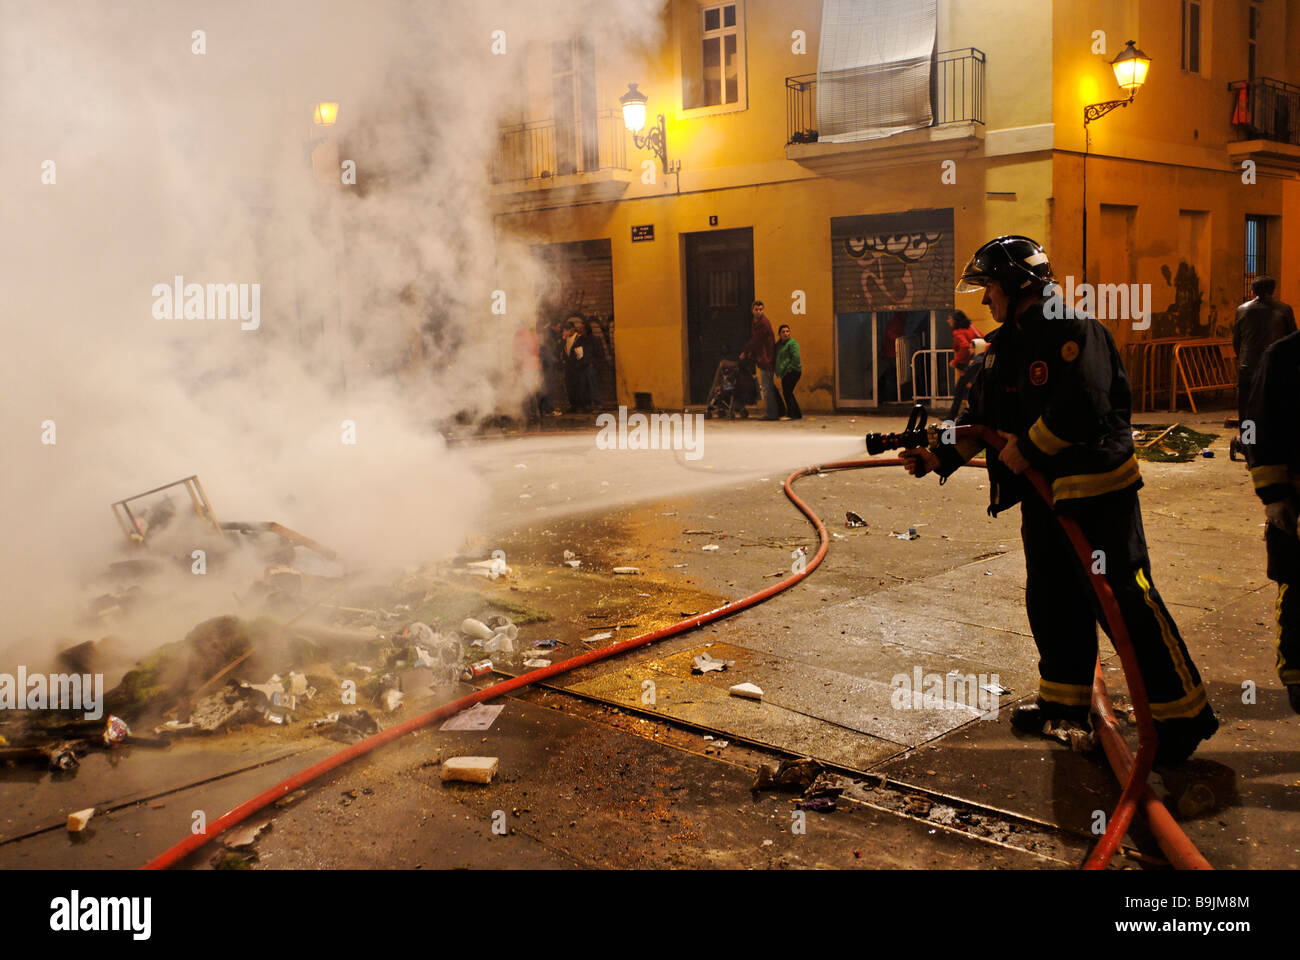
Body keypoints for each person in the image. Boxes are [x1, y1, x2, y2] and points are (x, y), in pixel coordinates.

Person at [900, 235, 1218, 764]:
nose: (984, 299)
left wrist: (1031, 446)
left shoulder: (1074, 330)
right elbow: (985, 421)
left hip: (1096, 496)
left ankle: (1180, 718)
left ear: (1014, 285)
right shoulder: (1007, 346)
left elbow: (1086, 403)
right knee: (1053, 601)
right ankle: (1064, 705)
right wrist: (938, 456)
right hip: (1043, 502)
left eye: (990, 287)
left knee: (1124, 600)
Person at [1244, 327, 1300, 713]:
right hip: (1297, 501)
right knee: (1297, 586)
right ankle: (1298, 677)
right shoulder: (1284, 357)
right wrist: (1274, 496)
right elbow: (1258, 427)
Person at [1233, 276, 1296, 423]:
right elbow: (1291, 337)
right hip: (1275, 365)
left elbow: (1237, 340)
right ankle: (1271, 440)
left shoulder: (1242, 310)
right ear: (1273, 290)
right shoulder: (1284, 309)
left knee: (1247, 408)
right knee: (1274, 405)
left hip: (1248, 365)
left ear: (1253, 290)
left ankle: (1249, 440)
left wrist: (1241, 357)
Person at [740, 300, 780, 420]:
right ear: (752, 310)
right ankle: (773, 412)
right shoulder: (757, 322)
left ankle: (771, 414)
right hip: (764, 358)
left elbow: (756, 340)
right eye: (756, 309)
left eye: (760, 309)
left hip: (766, 359)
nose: (758, 311)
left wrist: (745, 352)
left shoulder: (763, 323)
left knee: (767, 387)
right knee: (768, 386)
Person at [947, 309, 984, 420]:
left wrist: (955, 361)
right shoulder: (971, 327)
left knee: (960, 389)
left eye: (950, 318)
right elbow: (982, 337)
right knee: (971, 389)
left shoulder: (958, 332)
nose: (948, 321)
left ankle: (951, 416)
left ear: (955, 320)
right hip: (978, 361)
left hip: (969, 364)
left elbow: (964, 346)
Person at [775, 323, 802, 420]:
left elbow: (796, 357)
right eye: (783, 332)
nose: (786, 333)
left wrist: (790, 368)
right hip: (784, 373)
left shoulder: (793, 343)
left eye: (787, 331)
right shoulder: (778, 345)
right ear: (779, 334)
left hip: (793, 371)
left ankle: (792, 414)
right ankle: (796, 413)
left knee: (787, 392)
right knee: (788, 392)